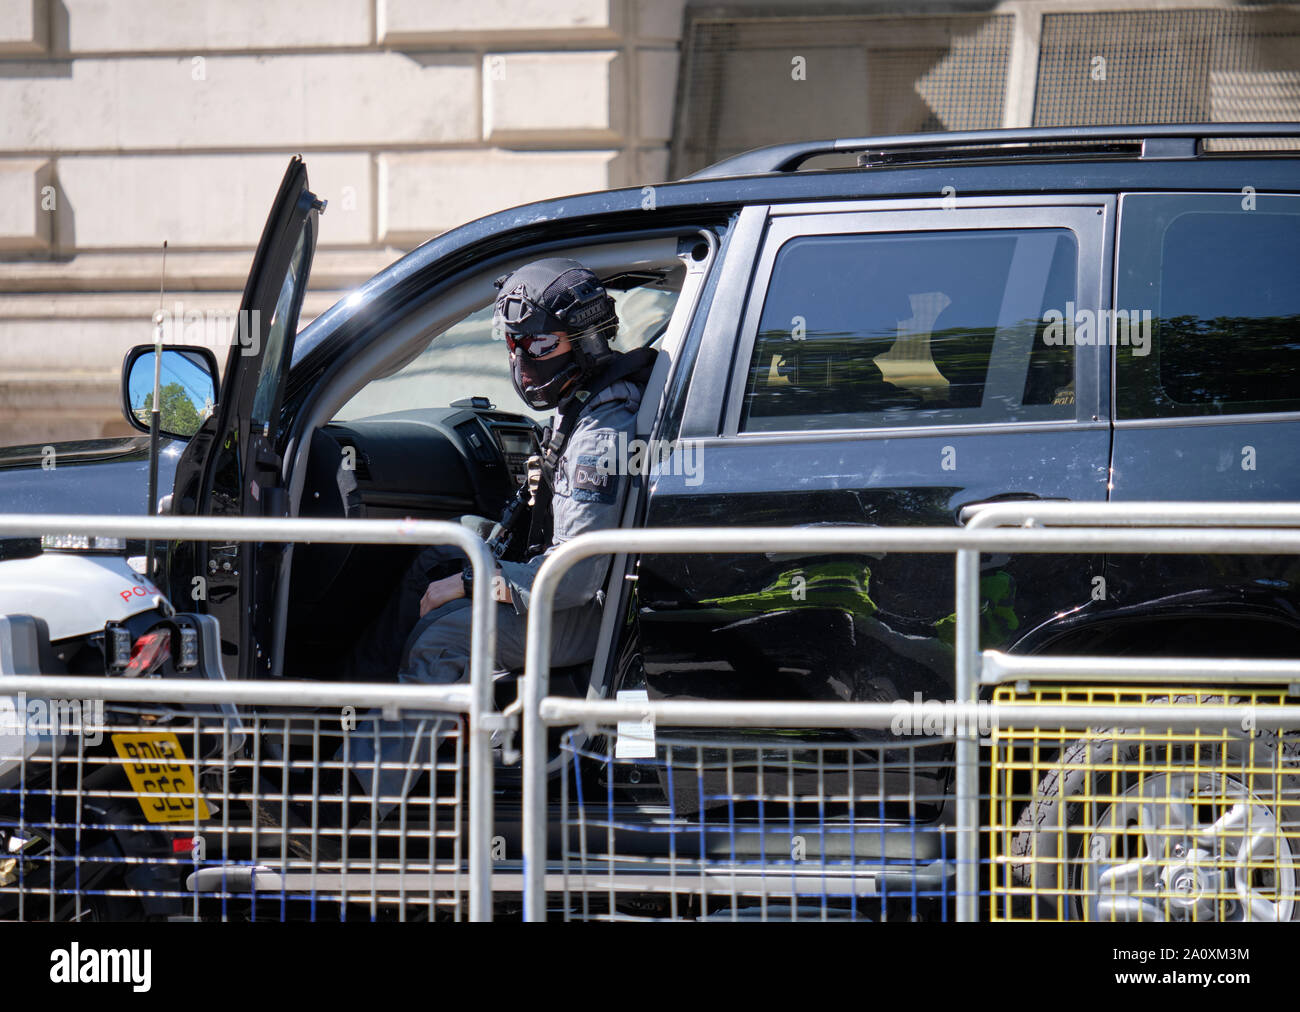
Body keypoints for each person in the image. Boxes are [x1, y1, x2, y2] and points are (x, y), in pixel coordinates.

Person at [341, 258, 657, 812]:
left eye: (540, 347)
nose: (523, 361)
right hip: (569, 591)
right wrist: (465, 569)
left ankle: (360, 805)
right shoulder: (583, 402)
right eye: (514, 345)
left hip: (587, 615)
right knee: (433, 557)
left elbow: (577, 578)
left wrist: (472, 582)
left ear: (584, 341)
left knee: (443, 633)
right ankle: (351, 716)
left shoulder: (603, 430)